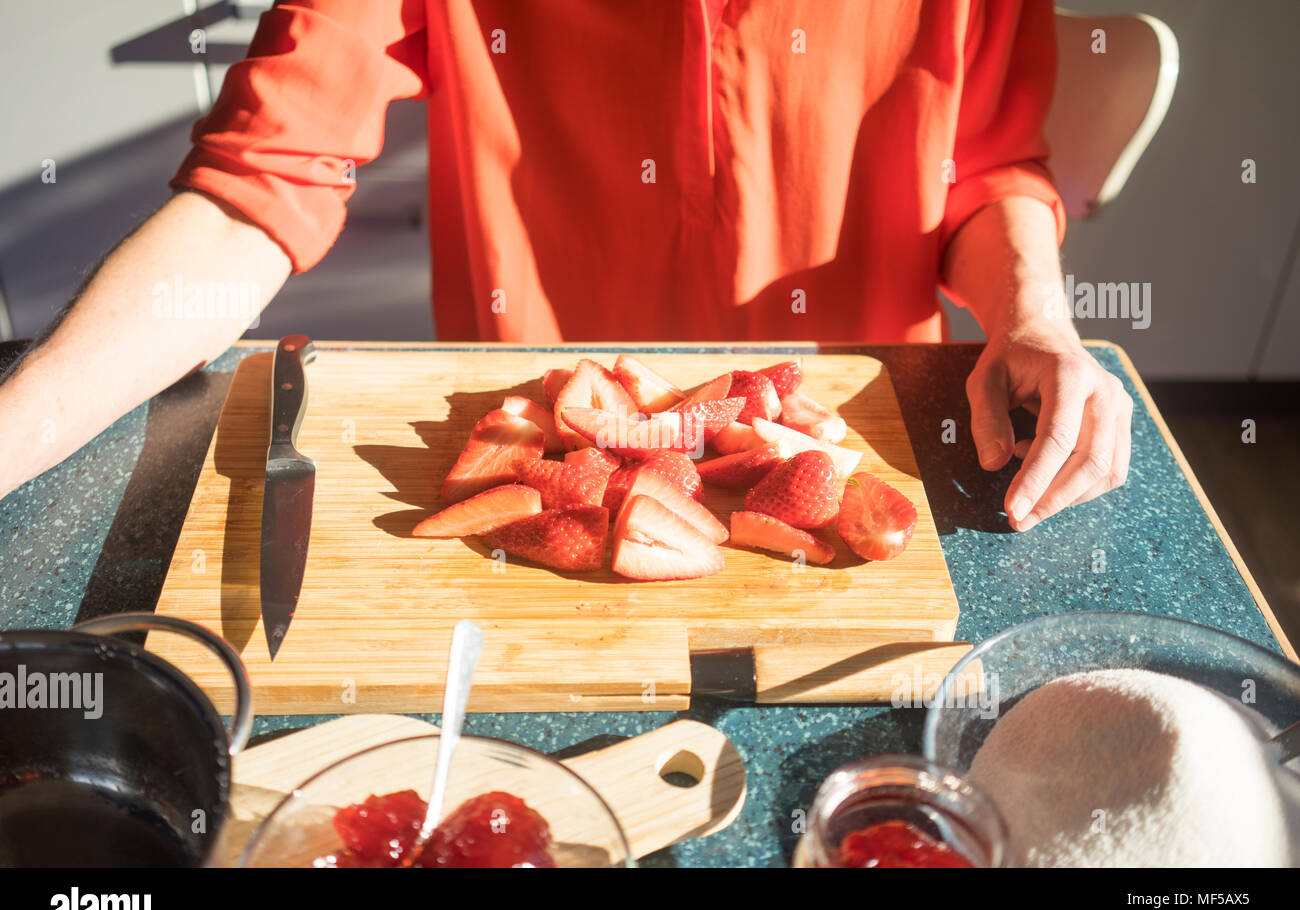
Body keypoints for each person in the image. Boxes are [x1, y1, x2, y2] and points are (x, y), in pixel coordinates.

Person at [0, 0, 1131, 530]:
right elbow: (258, 190)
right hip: (547, 458)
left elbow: (985, 173)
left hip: (852, 434)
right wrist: (16, 434)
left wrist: (1034, 318)